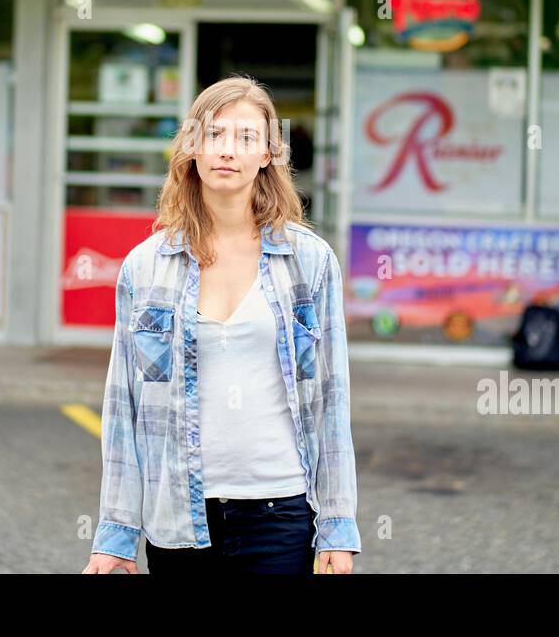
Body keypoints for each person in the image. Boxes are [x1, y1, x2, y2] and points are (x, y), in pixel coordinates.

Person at [81, 75, 361, 575]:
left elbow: (331, 401)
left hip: (281, 510)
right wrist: (117, 535)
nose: (228, 151)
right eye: (214, 134)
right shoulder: (146, 267)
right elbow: (122, 407)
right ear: (192, 148)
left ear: (269, 154)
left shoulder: (309, 262)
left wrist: (337, 526)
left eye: (246, 137)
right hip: (179, 522)